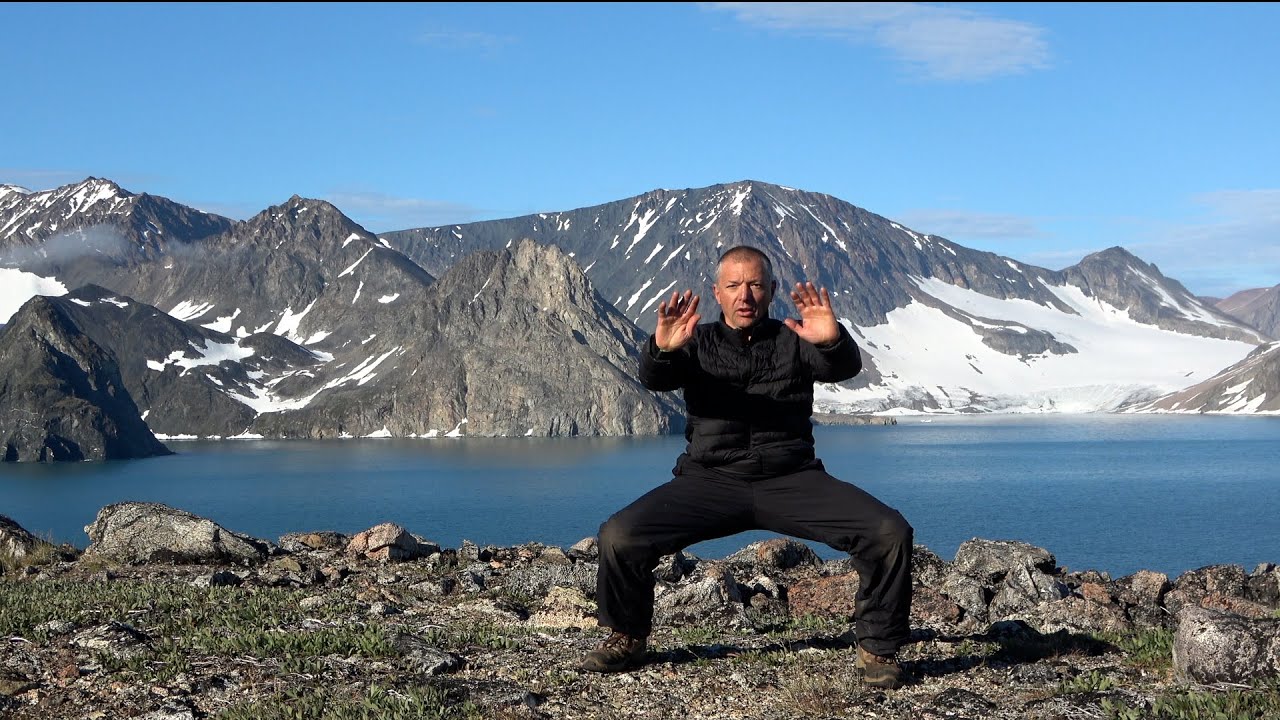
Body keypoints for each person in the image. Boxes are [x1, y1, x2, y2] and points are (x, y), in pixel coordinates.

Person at [578, 245, 913, 690]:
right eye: (734, 285)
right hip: (709, 481)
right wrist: (661, 349)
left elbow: (841, 367)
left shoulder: (797, 337)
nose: (745, 295)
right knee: (620, 536)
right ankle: (627, 637)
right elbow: (655, 378)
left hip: (792, 478)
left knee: (889, 532)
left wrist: (832, 339)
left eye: (755, 284)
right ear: (717, 292)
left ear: (772, 289)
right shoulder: (695, 341)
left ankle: (877, 648)